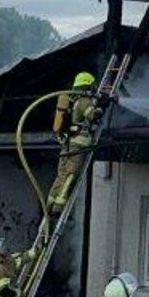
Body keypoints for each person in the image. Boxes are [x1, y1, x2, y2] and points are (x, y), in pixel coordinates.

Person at [46, 72, 105, 216]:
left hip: (68, 142)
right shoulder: (85, 100)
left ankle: (49, 204)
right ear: (89, 85)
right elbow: (93, 115)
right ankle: (58, 207)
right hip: (79, 144)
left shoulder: (73, 100)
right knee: (70, 175)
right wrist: (103, 104)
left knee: (61, 174)